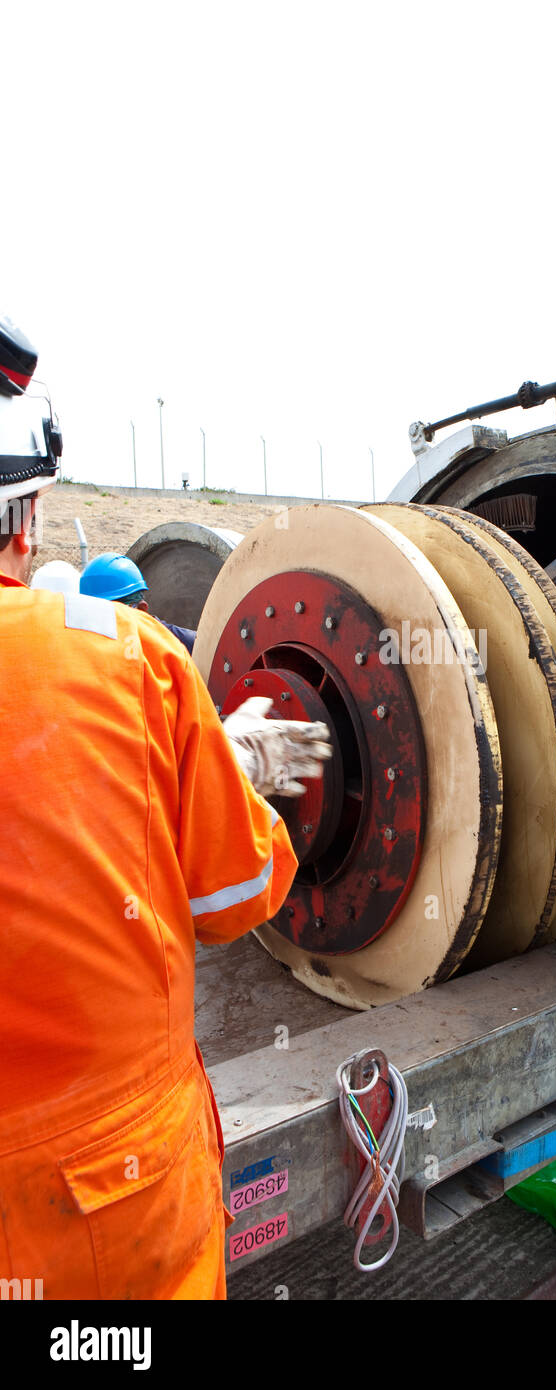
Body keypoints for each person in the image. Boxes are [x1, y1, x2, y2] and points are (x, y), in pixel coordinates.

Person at [0, 315, 329, 1299]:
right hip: (102, 1194)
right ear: (26, 516)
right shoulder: (122, 657)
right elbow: (237, 896)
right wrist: (223, 776)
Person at [80, 552, 197, 654]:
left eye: (107, 616)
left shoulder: (182, 647)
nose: (98, 626)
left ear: (141, 609)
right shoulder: (82, 646)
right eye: (91, 614)